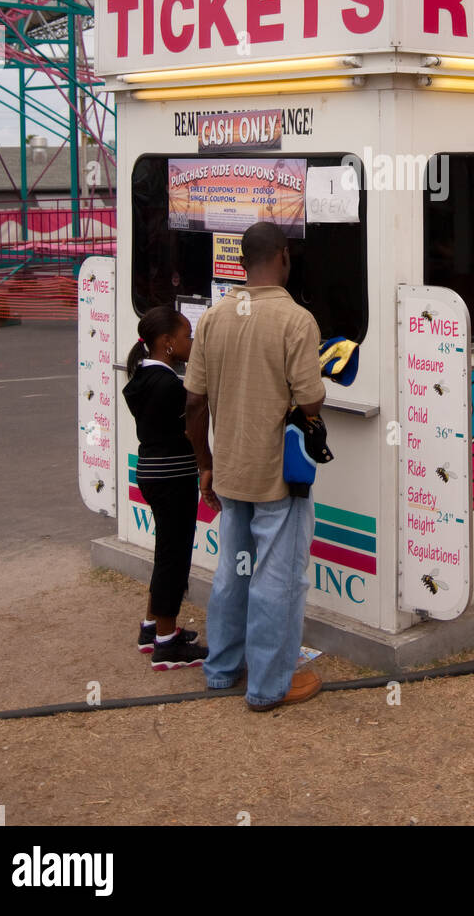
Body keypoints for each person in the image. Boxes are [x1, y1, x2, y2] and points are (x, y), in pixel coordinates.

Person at [184, 222, 326, 712]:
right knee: (278, 579)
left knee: (232, 571)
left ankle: (222, 669)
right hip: (277, 476)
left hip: (230, 469)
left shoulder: (213, 317)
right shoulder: (297, 321)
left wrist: (205, 465)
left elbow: (195, 402)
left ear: (243, 261)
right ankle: (269, 686)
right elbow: (310, 400)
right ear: (283, 257)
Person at [122, 307, 209, 670]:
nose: (191, 342)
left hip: (151, 472)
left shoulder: (141, 377)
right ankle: (166, 644)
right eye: (187, 336)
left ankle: (152, 626)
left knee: (165, 551)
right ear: (167, 343)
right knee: (174, 557)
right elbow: (191, 422)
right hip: (173, 476)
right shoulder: (170, 386)